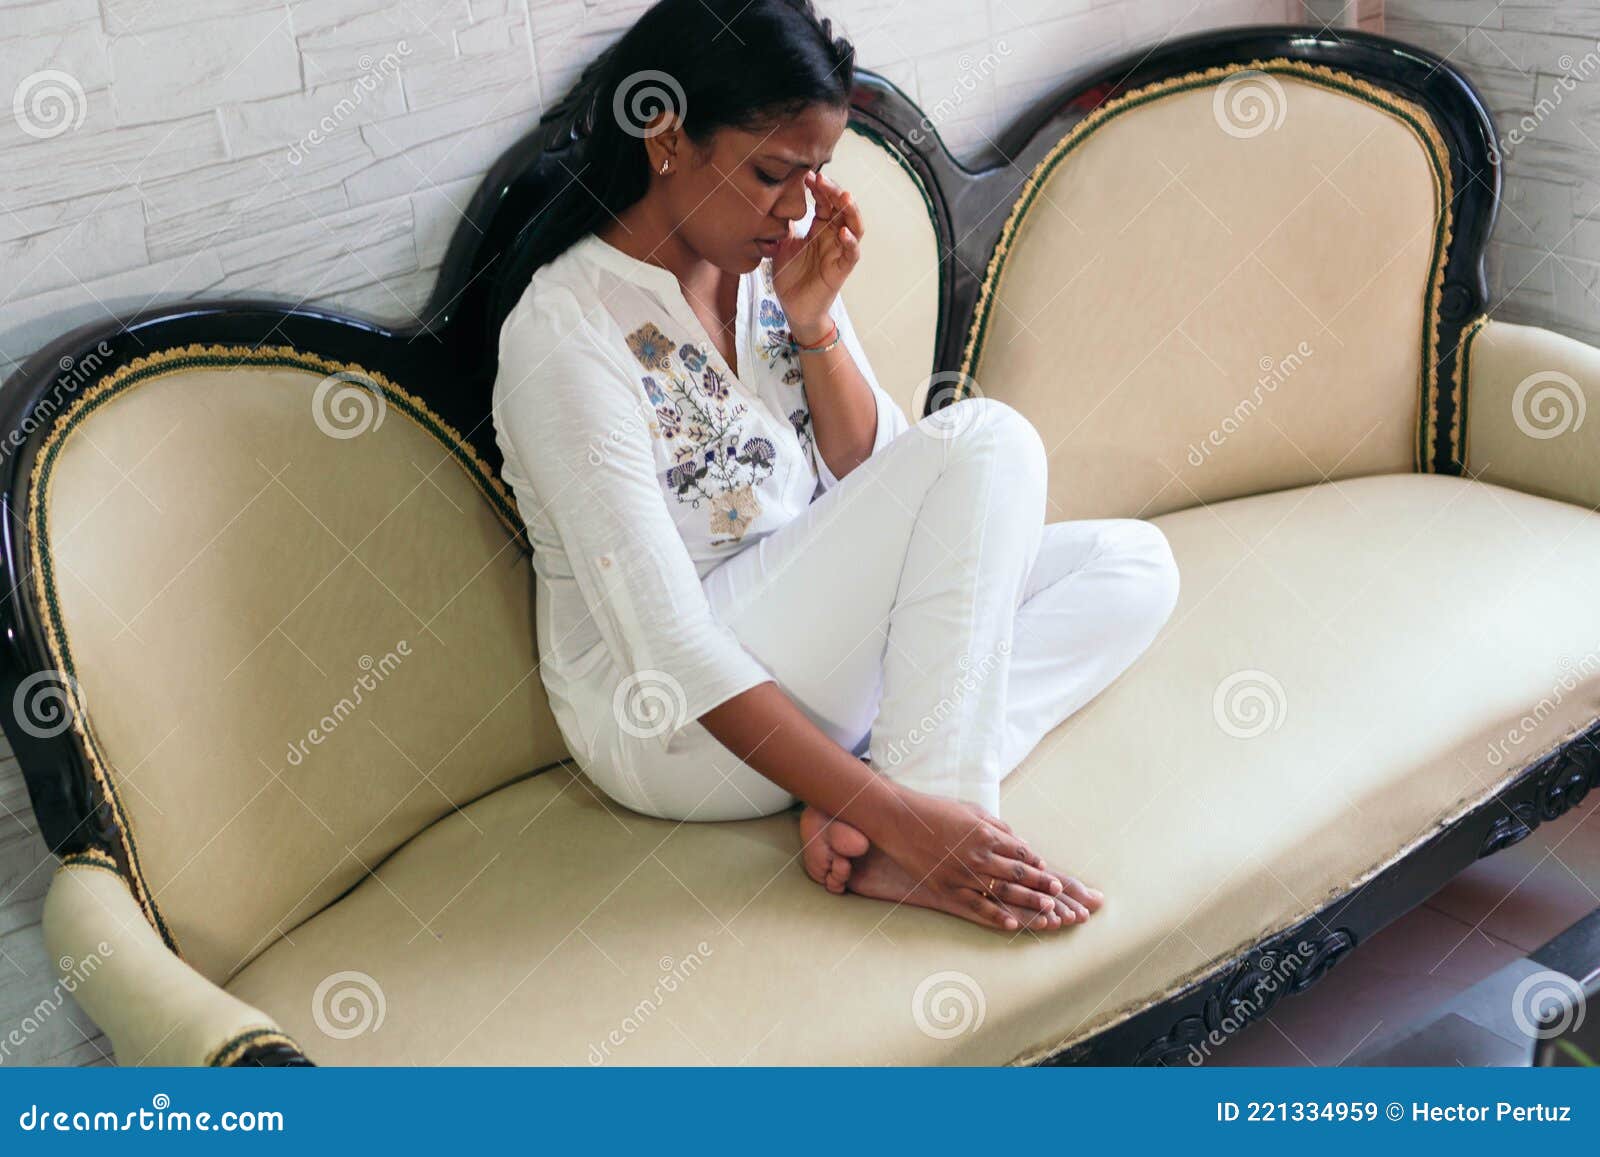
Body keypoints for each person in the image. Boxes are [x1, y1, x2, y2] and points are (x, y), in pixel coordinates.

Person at [491, 0, 1180, 935]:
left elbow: (888, 483)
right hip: (671, 724)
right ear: (667, 137)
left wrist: (813, 322)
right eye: (772, 173)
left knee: (1133, 566)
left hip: (815, 656)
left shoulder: (770, 266)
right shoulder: (564, 334)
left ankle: (880, 793)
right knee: (988, 439)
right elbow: (667, 648)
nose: (797, 207)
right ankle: (927, 818)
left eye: (813, 174)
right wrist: (897, 815)